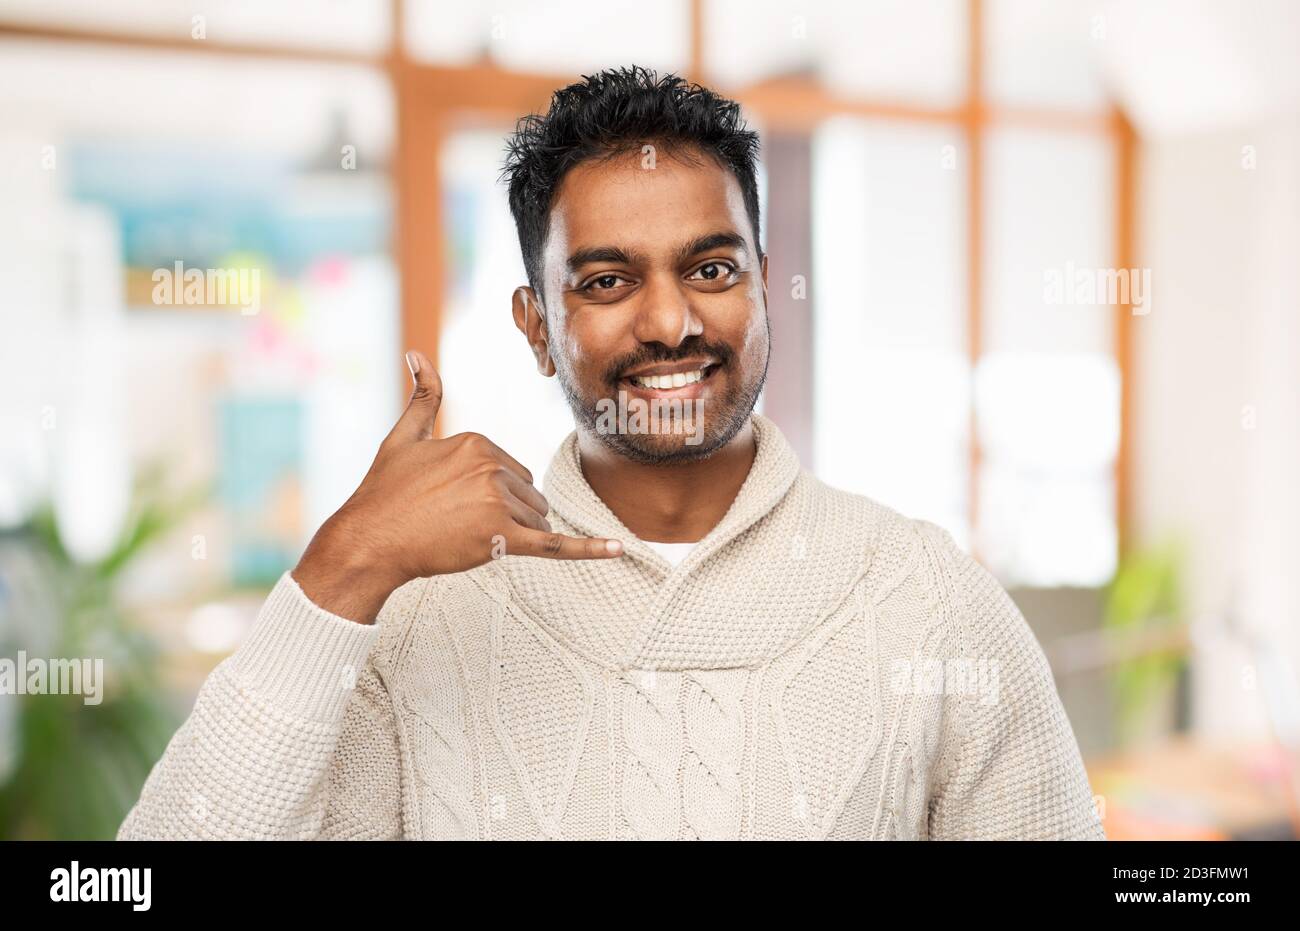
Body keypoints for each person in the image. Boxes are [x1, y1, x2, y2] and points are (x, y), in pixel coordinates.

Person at [117, 65, 1104, 840]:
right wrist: (343, 567)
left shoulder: (926, 600)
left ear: (765, 285)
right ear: (536, 325)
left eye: (710, 269)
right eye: (604, 282)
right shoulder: (423, 620)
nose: (670, 321)